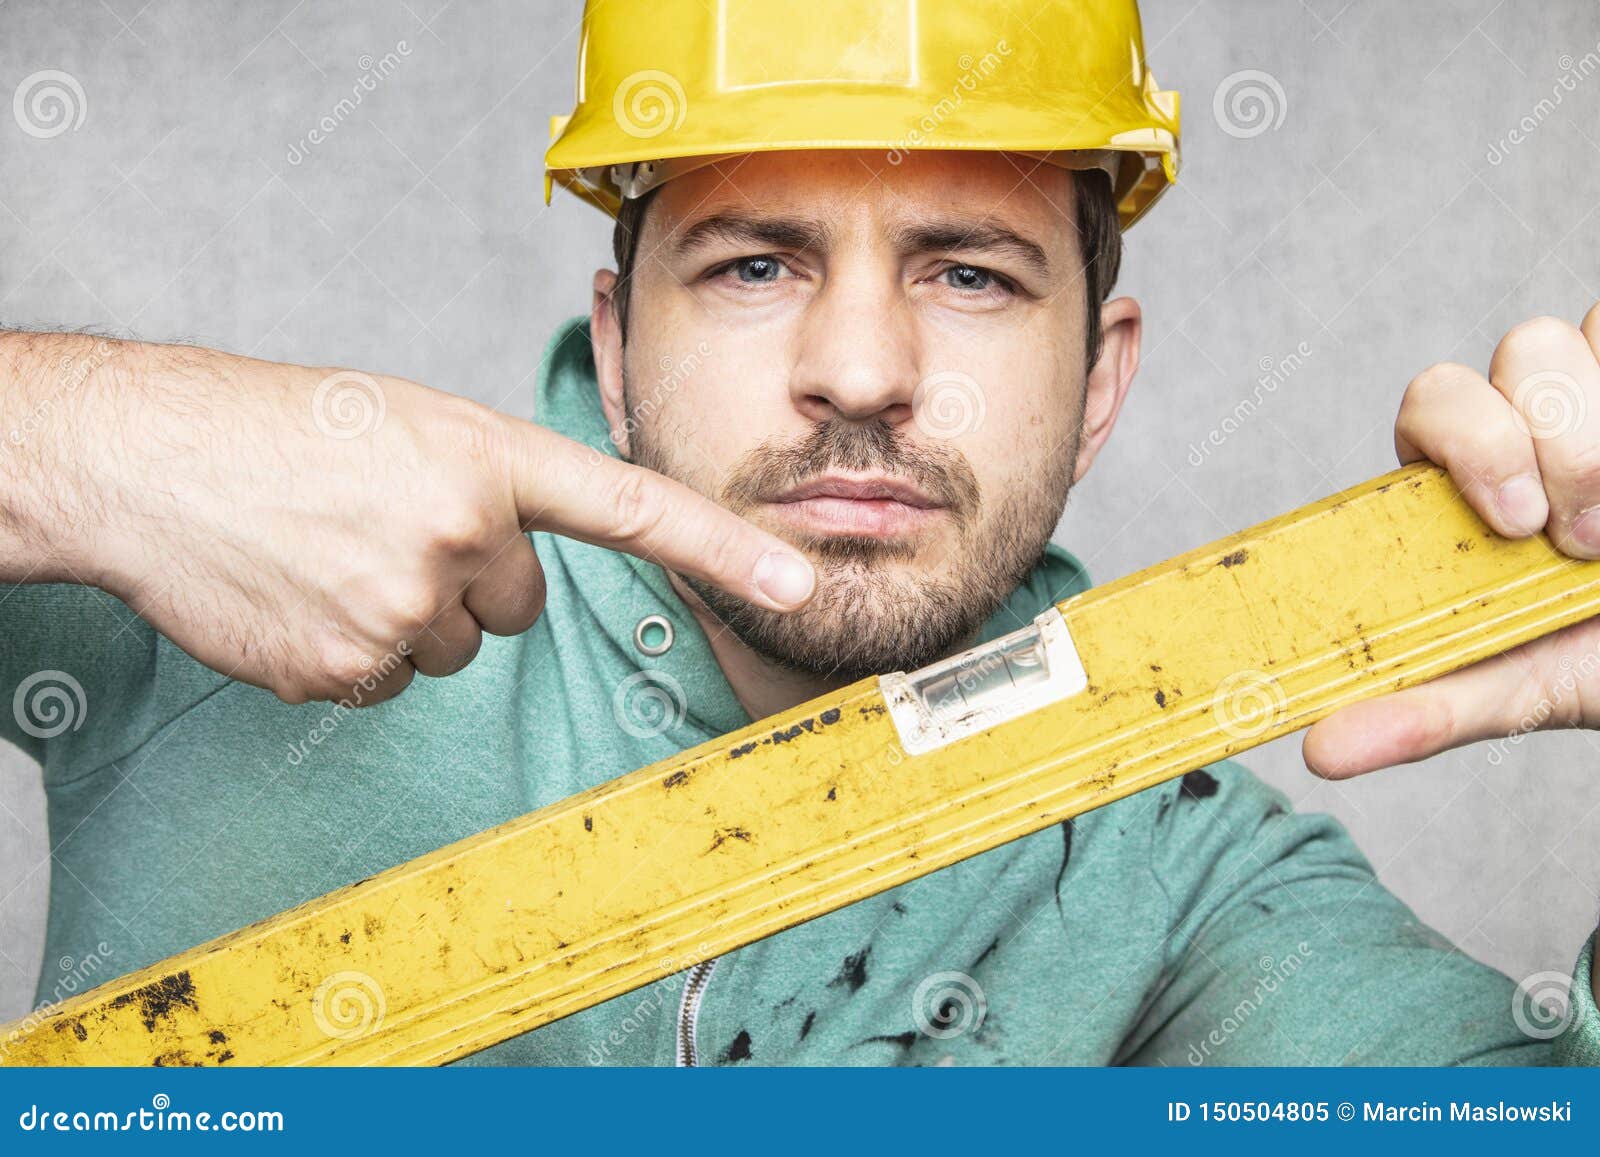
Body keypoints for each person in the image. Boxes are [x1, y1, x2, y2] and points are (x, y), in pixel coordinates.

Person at [0, 0, 1595, 1065]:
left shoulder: (1179, 873)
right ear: (617, 346)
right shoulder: (245, 574)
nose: (860, 370)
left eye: (969, 272)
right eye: (757, 263)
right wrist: (79, 434)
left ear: (1100, 380)